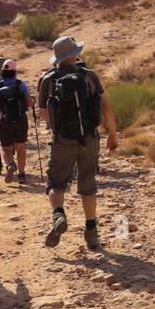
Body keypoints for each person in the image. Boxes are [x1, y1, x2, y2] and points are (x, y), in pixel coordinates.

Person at [37, 36, 118, 250]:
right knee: (88, 185)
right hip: (90, 138)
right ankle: (91, 232)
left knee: (55, 183)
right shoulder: (89, 76)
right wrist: (113, 135)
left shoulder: (48, 79)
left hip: (63, 140)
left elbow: (44, 114)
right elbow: (106, 108)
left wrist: (60, 124)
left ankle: (59, 215)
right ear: (73, 55)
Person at [0, 59, 35, 184]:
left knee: (6, 149)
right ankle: (21, 175)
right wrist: (32, 101)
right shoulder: (21, 84)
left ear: (2, 72)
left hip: (4, 121)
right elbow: (30, 103)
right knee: (21, 148)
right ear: (15, 71)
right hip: (20, 121)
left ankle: (10, 164)